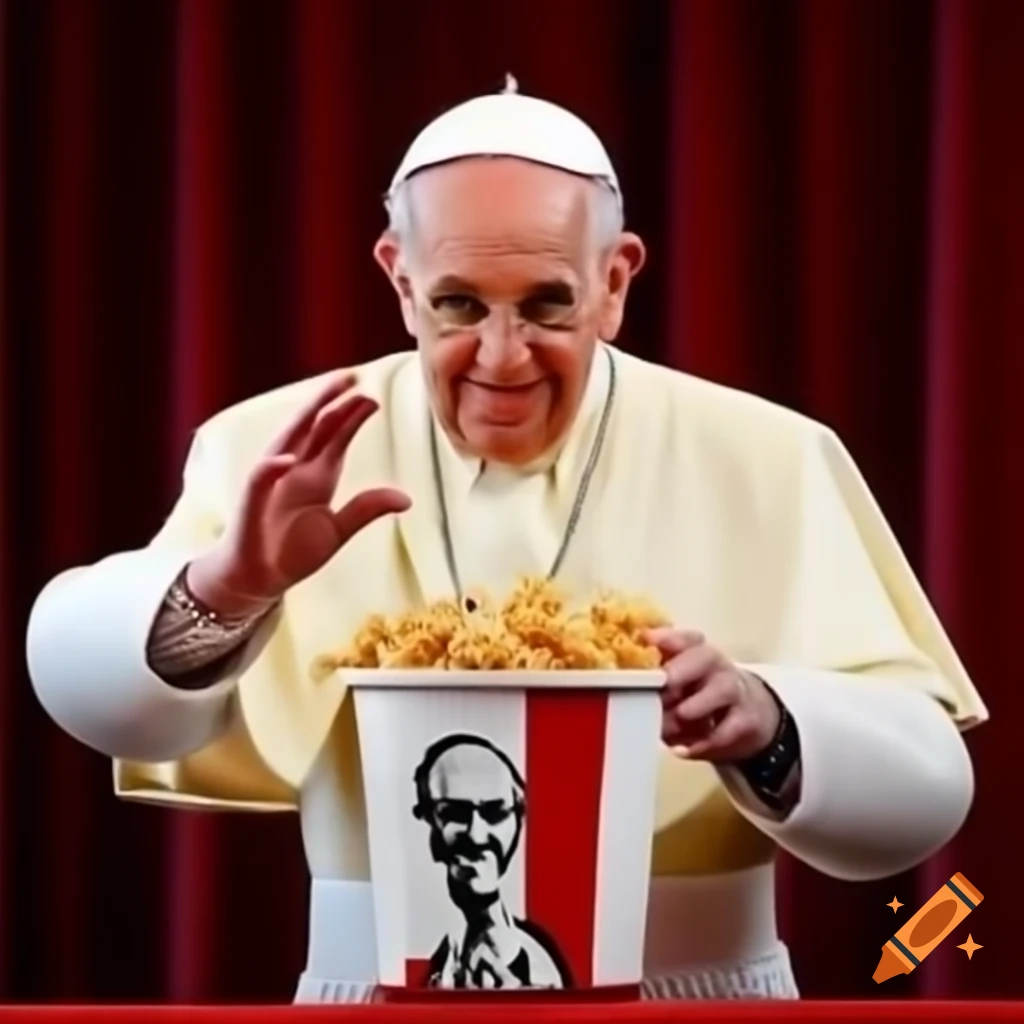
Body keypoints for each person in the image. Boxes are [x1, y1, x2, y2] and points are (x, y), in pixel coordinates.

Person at [26, 77, 987, 1003]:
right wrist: (231, 586)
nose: (500, 355)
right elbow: (86, 683)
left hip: (693, 992)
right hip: (378, 993)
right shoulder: (274, 446)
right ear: (400, 281)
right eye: (457, 305)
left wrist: (766, 719)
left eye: (546, 304)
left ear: (614, 283)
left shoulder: (771, 457)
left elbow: (926, 784)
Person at [412, 733, 571, 990]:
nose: (477, 834)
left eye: (494, 812)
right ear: (426, 820)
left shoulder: (541, 958)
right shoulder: (410, 944)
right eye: (454, 813)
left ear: (518, 822)